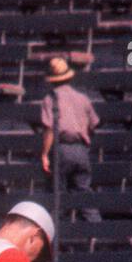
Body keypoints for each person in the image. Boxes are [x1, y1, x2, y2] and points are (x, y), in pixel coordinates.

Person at [39, 57, 101, 222]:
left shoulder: (50, 99)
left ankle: (55, 240)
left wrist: (45, 154)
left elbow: (49, 129)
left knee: (58, 198)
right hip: (81, 150)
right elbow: (93, 125)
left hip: (62, 149)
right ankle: (96, 234)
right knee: (84, 195)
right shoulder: (83, 98)